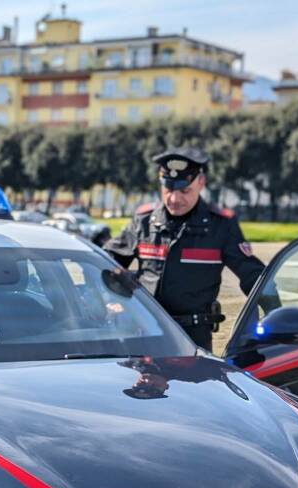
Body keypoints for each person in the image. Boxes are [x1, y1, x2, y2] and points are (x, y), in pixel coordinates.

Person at [104, 146, 265, 351]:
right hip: (145, 334)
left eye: (184, 191)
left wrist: (276, 316)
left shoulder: (220, 225)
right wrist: (108, 299)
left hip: (192, 340)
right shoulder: (144, 221)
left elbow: (254, 277)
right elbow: (104, 261)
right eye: (168, 190)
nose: (174, 199)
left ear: (201, 182)